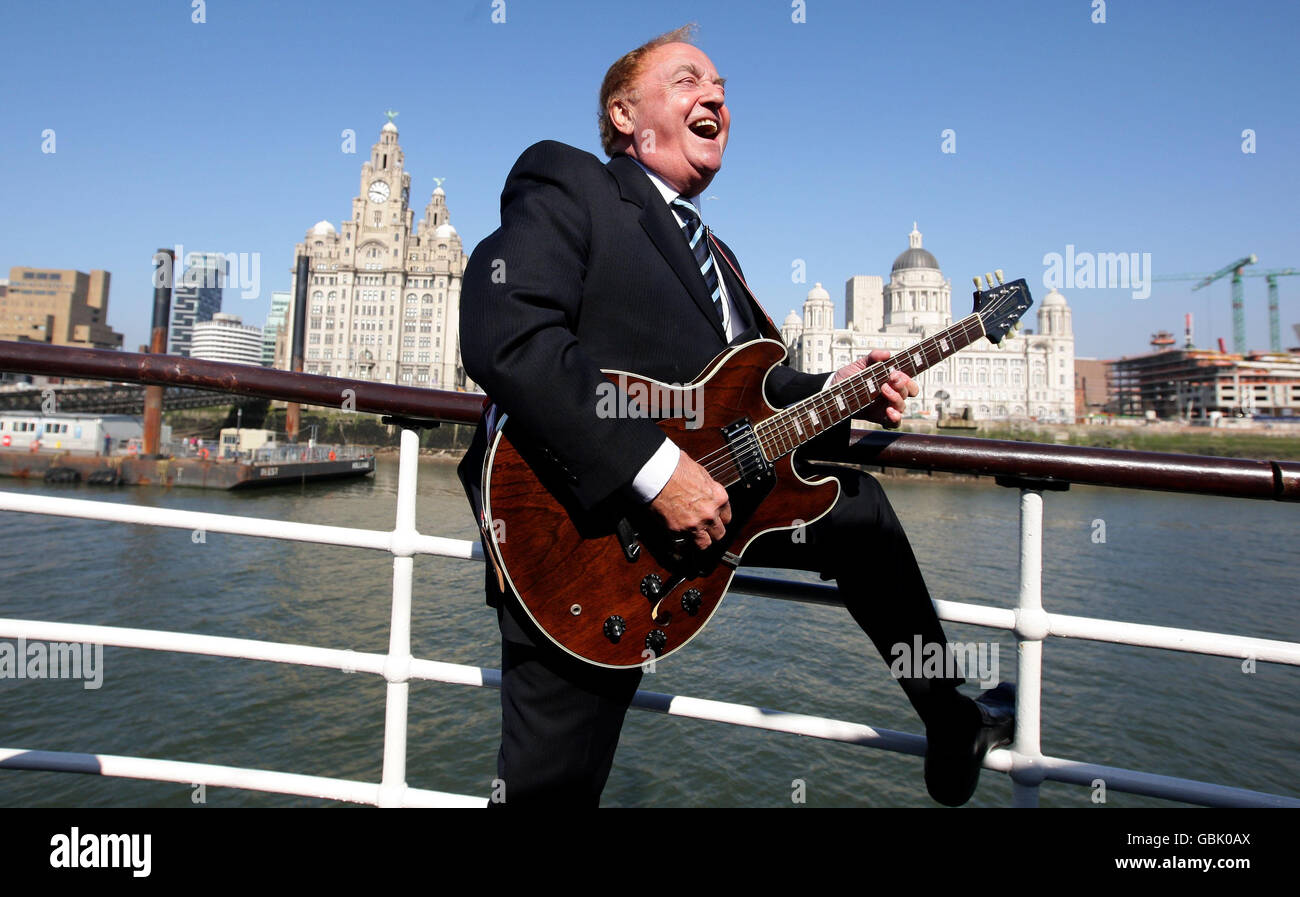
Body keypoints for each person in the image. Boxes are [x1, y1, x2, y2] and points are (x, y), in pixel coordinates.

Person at [457, 25, 1013, 807]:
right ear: (624, 114)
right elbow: (505, 333)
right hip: (578, 537)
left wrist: (838, 384)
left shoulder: (721, 259)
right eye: (687, 81)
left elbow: (753, 390)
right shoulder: (567, 179)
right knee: (552, 790)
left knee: (860, 514)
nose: (715, 96)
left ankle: (949, 715)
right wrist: (656, 474)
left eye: (721, 88)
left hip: (717, 507)